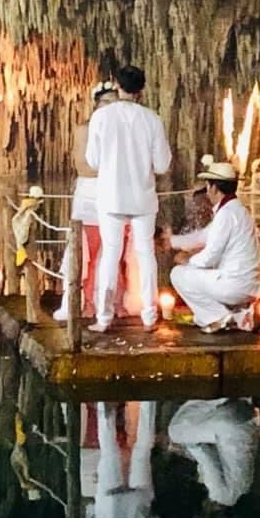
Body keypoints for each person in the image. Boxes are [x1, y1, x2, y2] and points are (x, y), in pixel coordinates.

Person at [85, 65, 172, 333]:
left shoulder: (101, 117)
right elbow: (161, 164)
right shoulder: (152, 119)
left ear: (117, 86)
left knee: (110, 255)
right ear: (141, 91)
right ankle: (149, 316)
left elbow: (93, 160)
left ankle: (104, 317)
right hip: (143, 198)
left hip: (111, 197)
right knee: (146, 255)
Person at [53, 81, 124, 321]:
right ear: (96, 104)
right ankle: (80, 300)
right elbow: (83, 166)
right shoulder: (85, 129)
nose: (110, 108)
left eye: (115, 103)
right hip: (91, 196)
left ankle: (111, 301)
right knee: (87, 249)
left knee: (114, 251)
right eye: (106, 103)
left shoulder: (124, 130)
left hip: (118, 196)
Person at [167, 162, 260, 334]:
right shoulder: (238, 210)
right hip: (249, 286)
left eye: (208, 185)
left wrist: (187, 260)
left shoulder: (226, 214)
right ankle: (239, 316)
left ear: (214, 188)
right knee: (201, 269)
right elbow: (203, 236)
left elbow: (209, 256)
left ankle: (216, 317)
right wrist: (171, 241)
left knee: (178, 274)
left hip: (234, 285)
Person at [83, 401, 165, 518]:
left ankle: (148, 399)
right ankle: (104, 401)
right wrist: (92, 512)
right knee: (109, 451)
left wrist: (151, 517)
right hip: (108, 508)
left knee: (142, 451)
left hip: (138, 506)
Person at [168, 398, 258, 518]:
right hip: (229, 424)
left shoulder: (243, 489)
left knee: (188, 434)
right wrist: (184, 447)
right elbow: (207, 459)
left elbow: (217, 456)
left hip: (247, 419)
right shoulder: (218, 495)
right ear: (210, 512)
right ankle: (213, 398)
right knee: (176, 432)